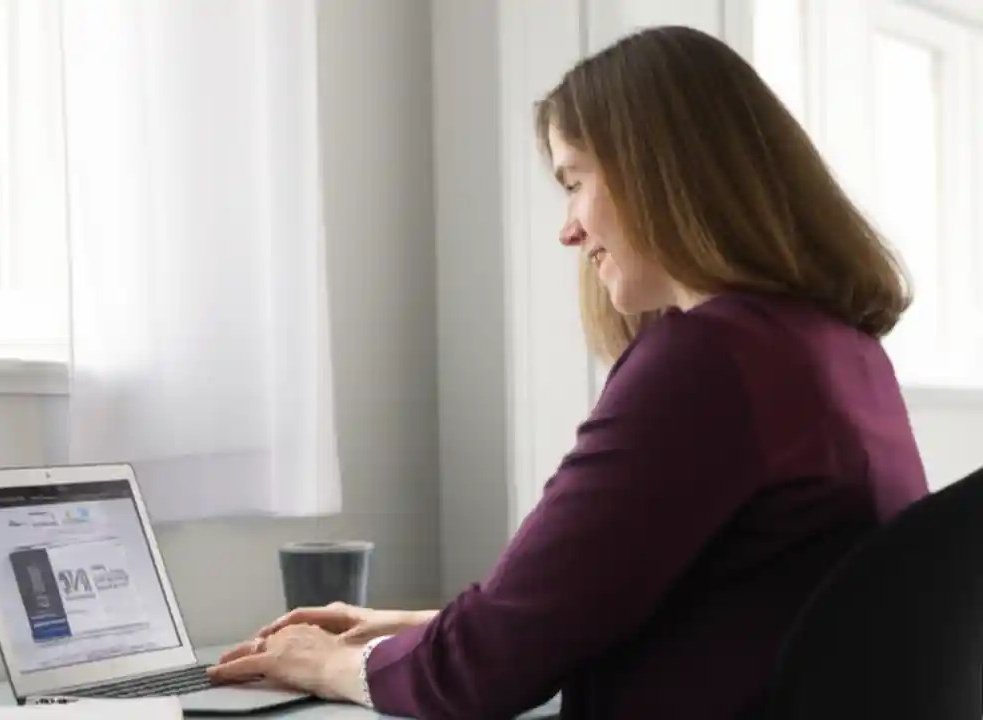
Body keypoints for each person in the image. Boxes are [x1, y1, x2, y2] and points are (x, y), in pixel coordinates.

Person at [207, 25, 929, 720]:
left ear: (659, 169)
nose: (568, 228)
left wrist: (323, 664)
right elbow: (696, 608)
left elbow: (483, 674)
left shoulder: (711, 361)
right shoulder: (837, 350)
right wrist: (411, 626)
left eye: (575, 180)